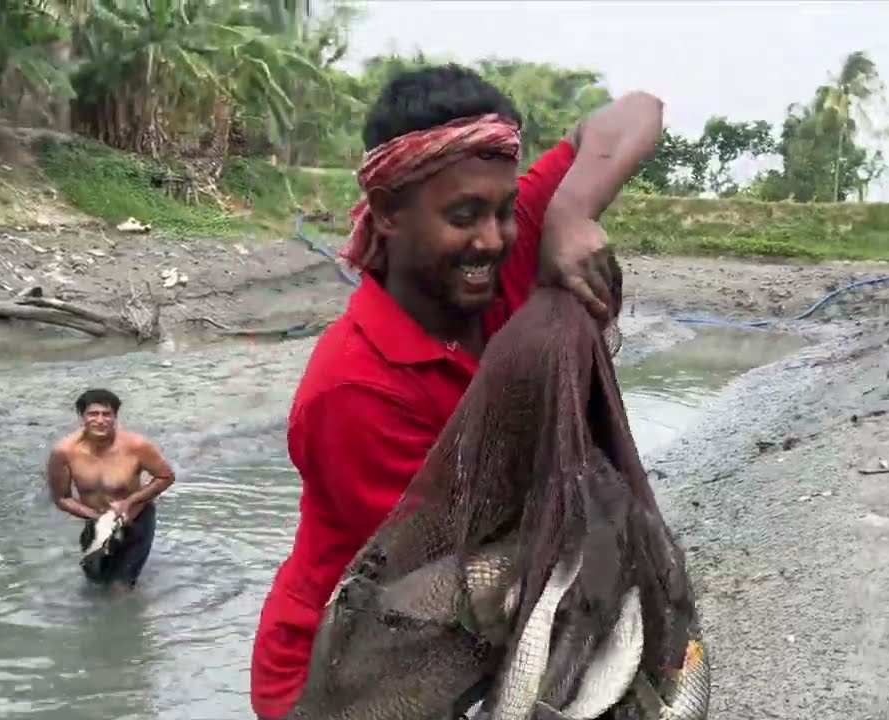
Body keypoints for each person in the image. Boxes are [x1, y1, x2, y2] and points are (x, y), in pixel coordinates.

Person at [250, 63, 663, 720]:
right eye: (464, 216)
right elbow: (440, 578)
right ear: (387, 212)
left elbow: (636, 110)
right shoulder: (354, 388)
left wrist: (569, 212)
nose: (493, 239)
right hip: (345, 662)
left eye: (504, 212)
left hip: (455, 617)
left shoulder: (505, 245)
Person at [45, 388, 176, 593]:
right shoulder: (64, 452)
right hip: (97, 522)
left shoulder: (137, 446)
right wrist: (97, 517)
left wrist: (129, 502)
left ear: (115, 417)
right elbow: (61, 498)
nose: (100, 420)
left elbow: (166, 476)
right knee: (95, 584)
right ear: (82, 418)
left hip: (136, 519)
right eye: (93, 414)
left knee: (120, 588)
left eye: (107, 415)